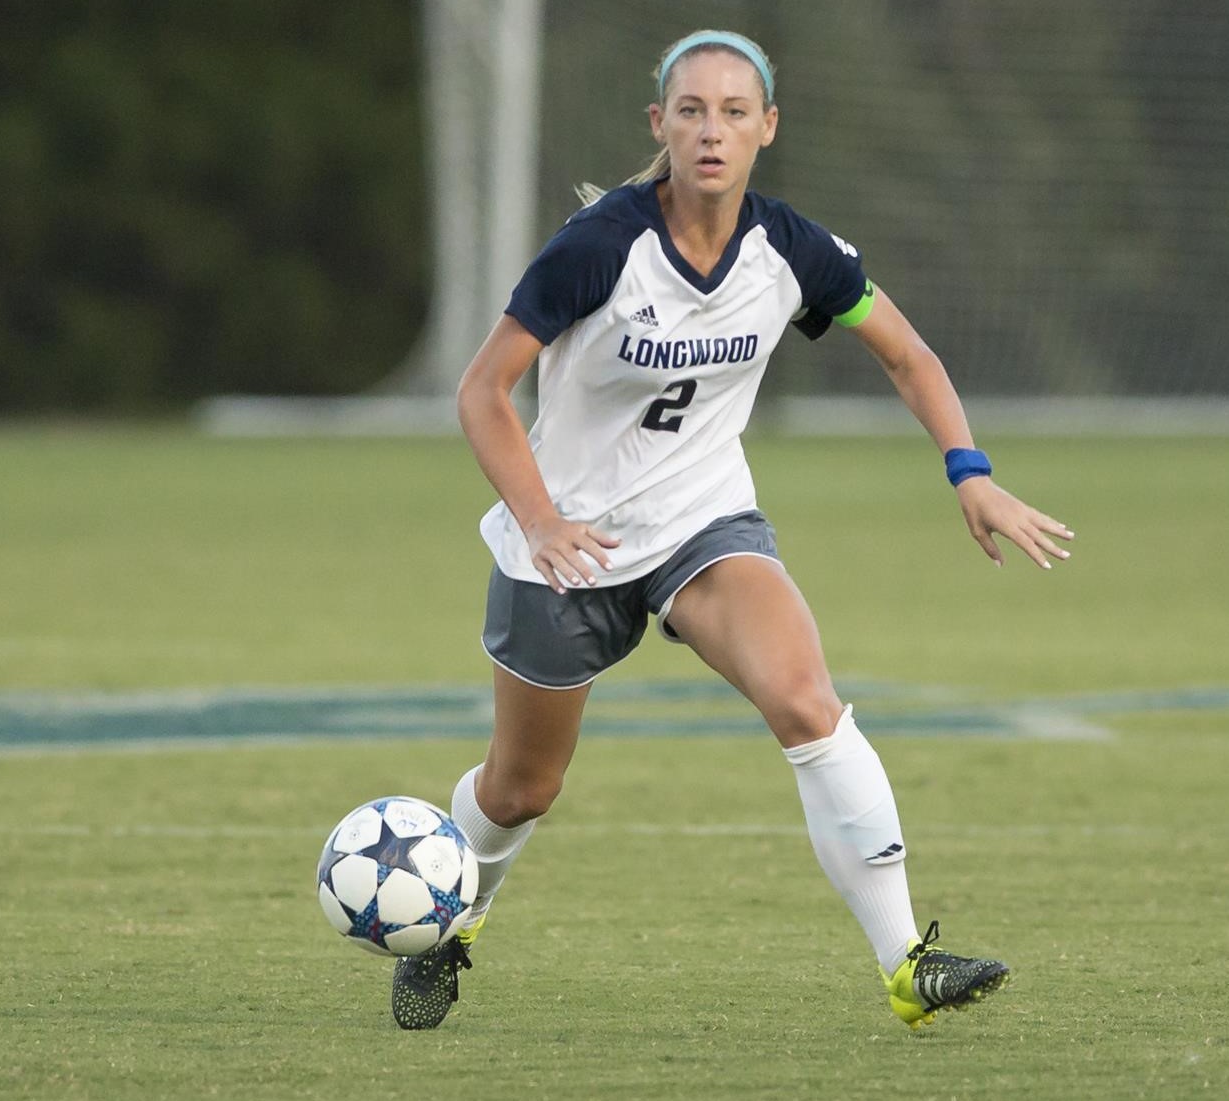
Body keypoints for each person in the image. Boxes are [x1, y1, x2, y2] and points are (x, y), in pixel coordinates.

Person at [389, 29, 1074, 1032]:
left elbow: (908, 355)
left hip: (701, 524)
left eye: (733, 111)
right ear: (658, 125)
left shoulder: (789, 250)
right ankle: (450, 923)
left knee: (806, 700)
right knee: (521, 788)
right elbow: (481, 391)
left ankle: (905, 964)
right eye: (692, 110)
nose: (712, 131)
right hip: (565, 546)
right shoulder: (599, 247)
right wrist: (538, 519)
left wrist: (969, 473)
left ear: (766, 129)